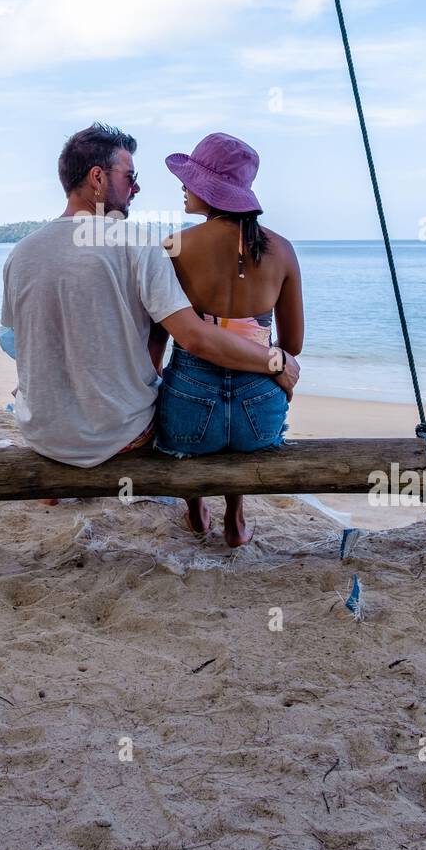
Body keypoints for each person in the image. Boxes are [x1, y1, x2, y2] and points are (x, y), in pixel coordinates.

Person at [0, 124, 300, 481]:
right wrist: (276, 361)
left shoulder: (21, 253)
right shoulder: (139, 245)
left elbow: (15, 340)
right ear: (97, 177)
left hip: (42, 433)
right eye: (130, 177)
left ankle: (58, 482)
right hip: (122, 436)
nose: (137, 187)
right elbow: (193, 337)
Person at [153, 132, 304, 547]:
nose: (183, 186)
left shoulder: (173, 246)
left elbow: (156, 341)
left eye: (191, 179)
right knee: (239, 440)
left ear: (211, 189)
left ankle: (195, 509)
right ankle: (236, 516)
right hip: (259, 413)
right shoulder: (284, 250)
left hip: (190, 406)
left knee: (180, 415)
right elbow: (293, 343)